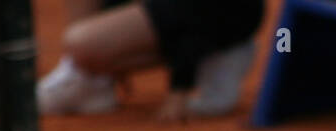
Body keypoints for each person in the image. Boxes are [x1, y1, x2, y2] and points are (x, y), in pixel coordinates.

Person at [37, 0, 265, 122]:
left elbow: (198, 9)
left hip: (224, 10)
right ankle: (88, 79)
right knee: (85, 44)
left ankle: (221, 48)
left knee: (81, 43)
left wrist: (181, 86)